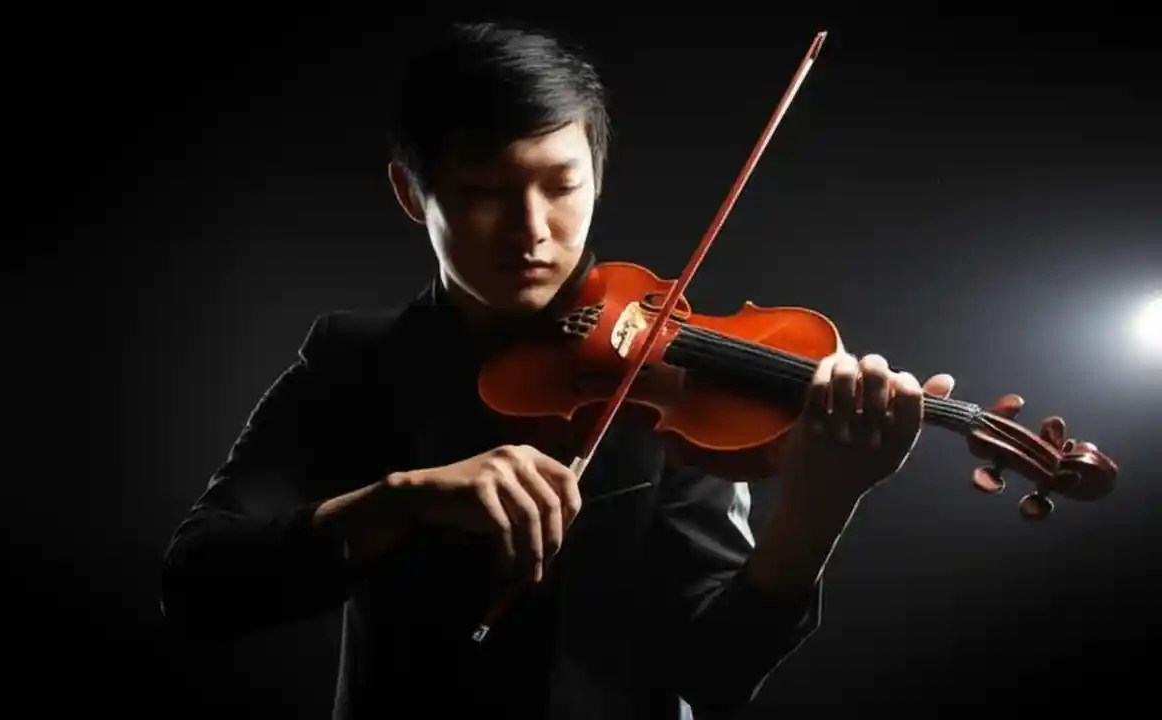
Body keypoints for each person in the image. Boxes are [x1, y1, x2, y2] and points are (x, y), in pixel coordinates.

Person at [158, 19, 954, 720]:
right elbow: (198, 584)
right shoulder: (354, 360)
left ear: (597, 178)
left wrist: (815, 510)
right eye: (482, 193)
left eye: (562, 186)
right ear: (412, 192)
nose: (531, 230)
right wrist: (400, 500)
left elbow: (713, 675)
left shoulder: (663, 379)